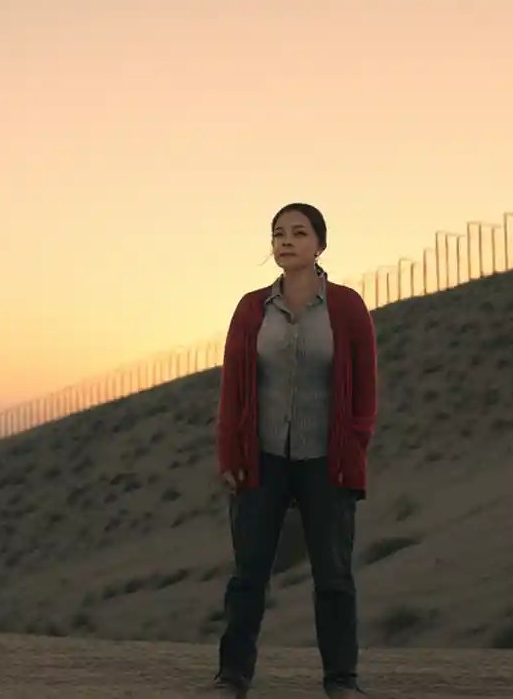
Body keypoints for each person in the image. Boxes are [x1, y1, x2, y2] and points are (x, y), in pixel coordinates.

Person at [206, 203, 378, 698]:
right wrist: (230, 456)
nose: (286, 241)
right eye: (278, 233)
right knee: (248, 575)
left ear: (320, 244)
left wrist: (354, 448)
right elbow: (233, 390)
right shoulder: (250, 308)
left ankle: (341, 681)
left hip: (326, 459)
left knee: (334, 575)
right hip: (262, 458)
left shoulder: (347, 307)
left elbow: (365, 391)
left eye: (299, 233)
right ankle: (232, 677)